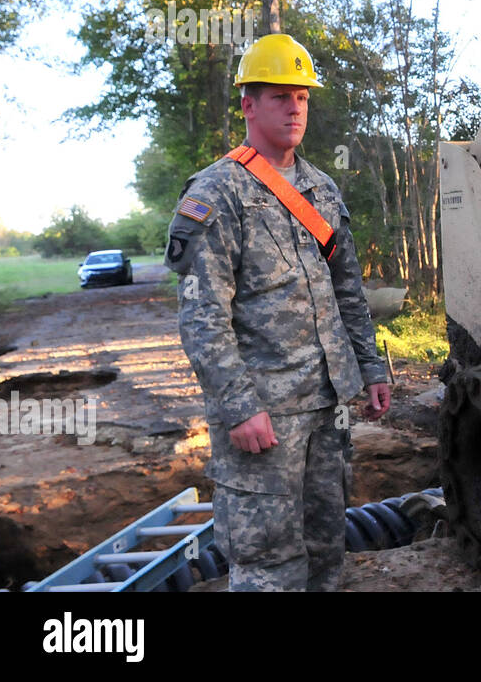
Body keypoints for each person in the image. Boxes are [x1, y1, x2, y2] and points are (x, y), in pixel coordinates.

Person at [164, 32, 391, 591]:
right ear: (248, 103)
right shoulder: (218, 192)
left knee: (325, 549)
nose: (295, 107)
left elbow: (347, 291)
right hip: (264, 416)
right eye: (279, 96)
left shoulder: (322, 189)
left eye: (303, 97)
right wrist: (240, 407)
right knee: (268, 564)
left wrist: (372, 368)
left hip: (326, 405)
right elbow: (202, 316)